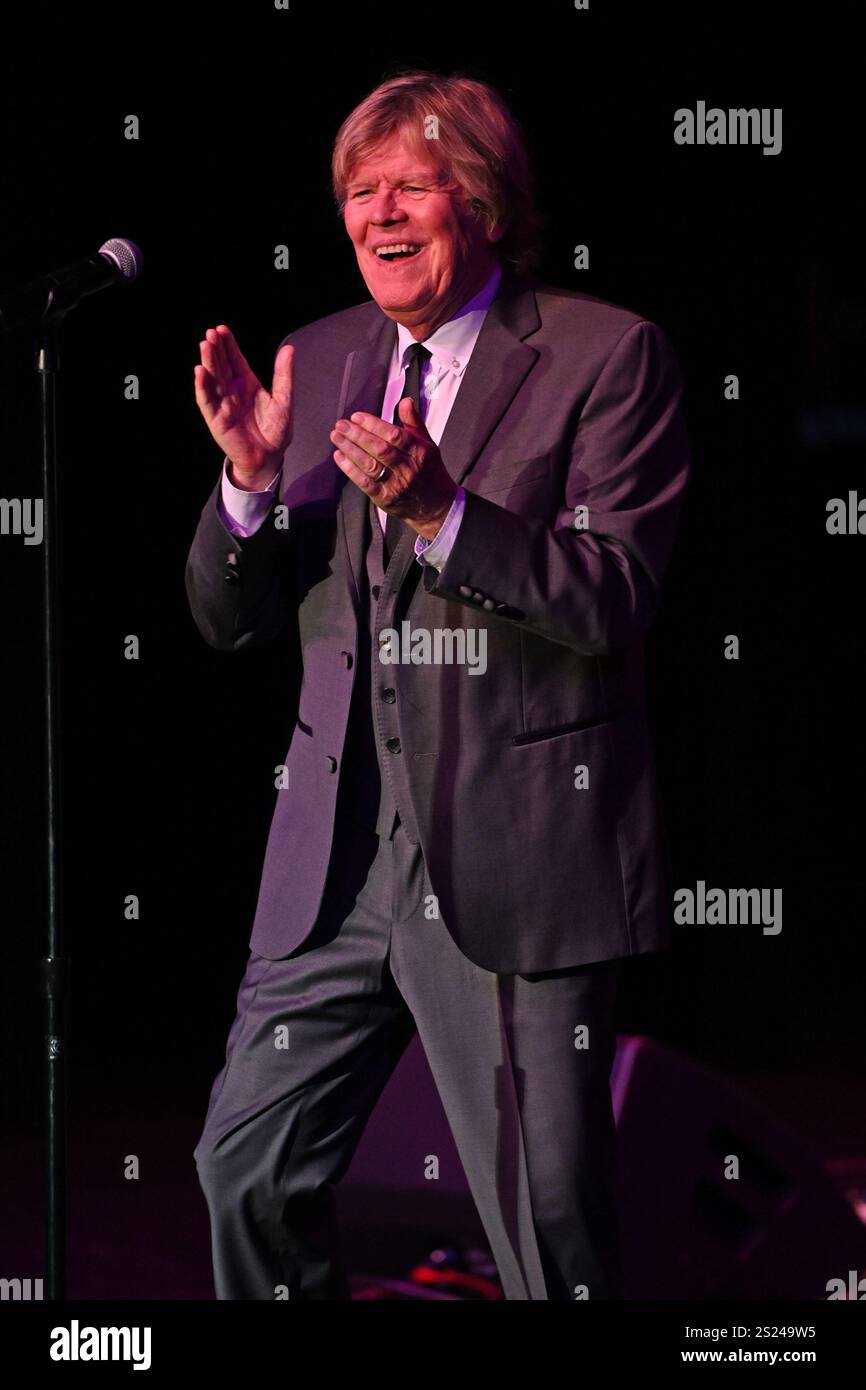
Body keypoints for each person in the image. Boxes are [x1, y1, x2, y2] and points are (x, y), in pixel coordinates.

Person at [185, 69, 691, 1301]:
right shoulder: (315, 358)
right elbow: (221, 620)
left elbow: (613, 592)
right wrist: (248, 486)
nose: (380, 213)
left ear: (485, 200)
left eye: (411, 183)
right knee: (239, 1173)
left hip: (516, 859)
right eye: (360, 191)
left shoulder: (603, 355)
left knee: (546, 1236)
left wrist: (442, 514)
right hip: (334, 870)